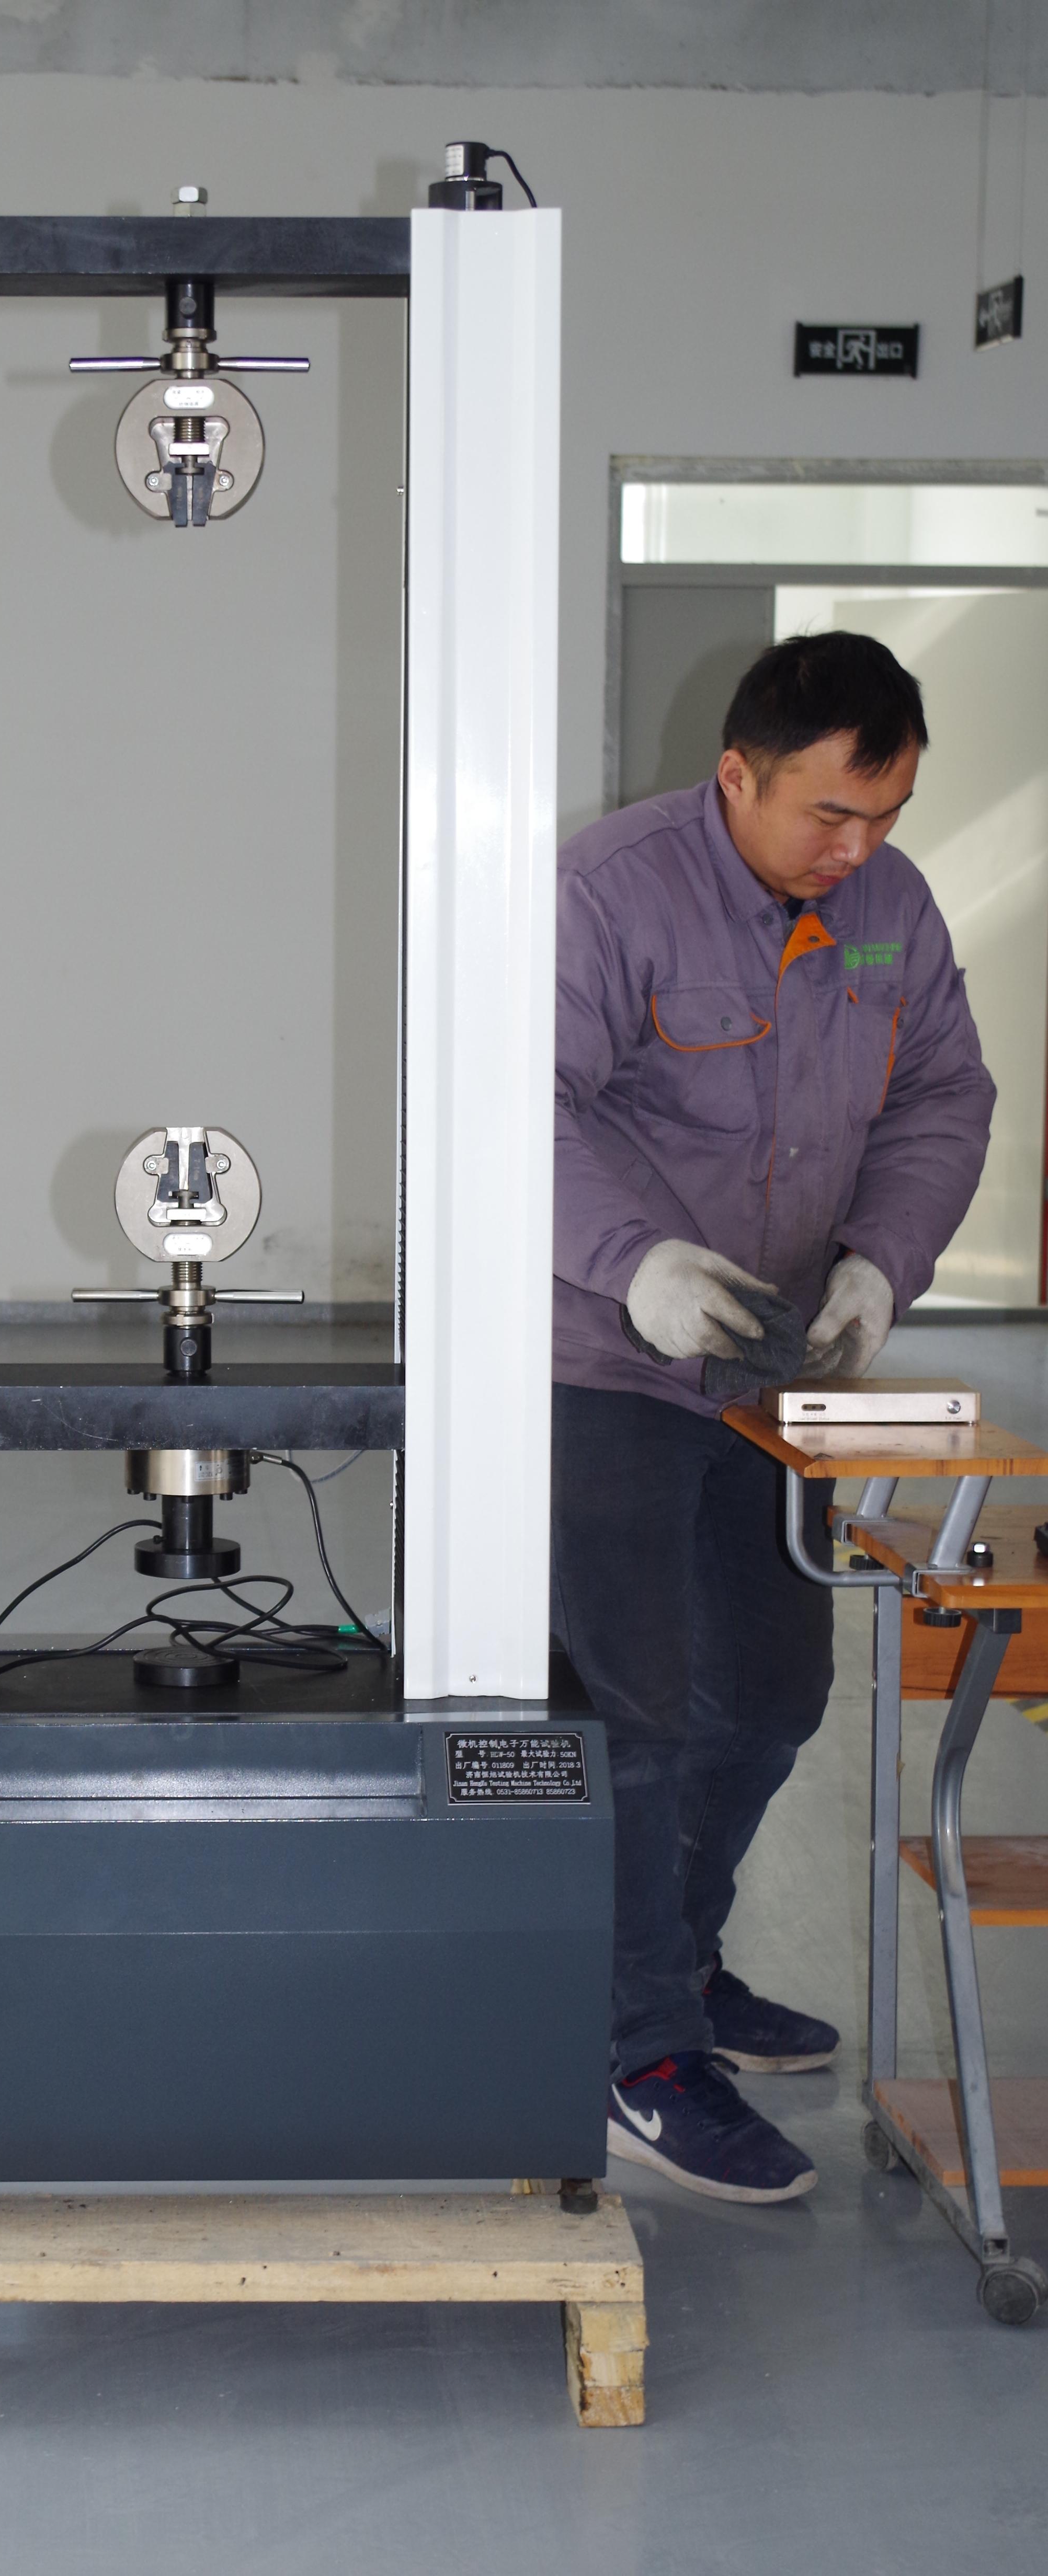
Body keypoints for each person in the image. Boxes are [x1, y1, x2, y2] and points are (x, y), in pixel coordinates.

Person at [552, 631, 994, 2203]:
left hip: (772, 1369)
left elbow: (944, 1094)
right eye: (830, 814)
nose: (857, 851)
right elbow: (515, 1101)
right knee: (635, 1715)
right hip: (599, 1362)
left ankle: (676, 1958)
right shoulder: (610, 890)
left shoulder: (891, 908)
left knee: (773, 1692)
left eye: (888, 814)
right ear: (737, 775)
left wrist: (884, 1259)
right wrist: (637, 1263)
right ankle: (633, 2047)